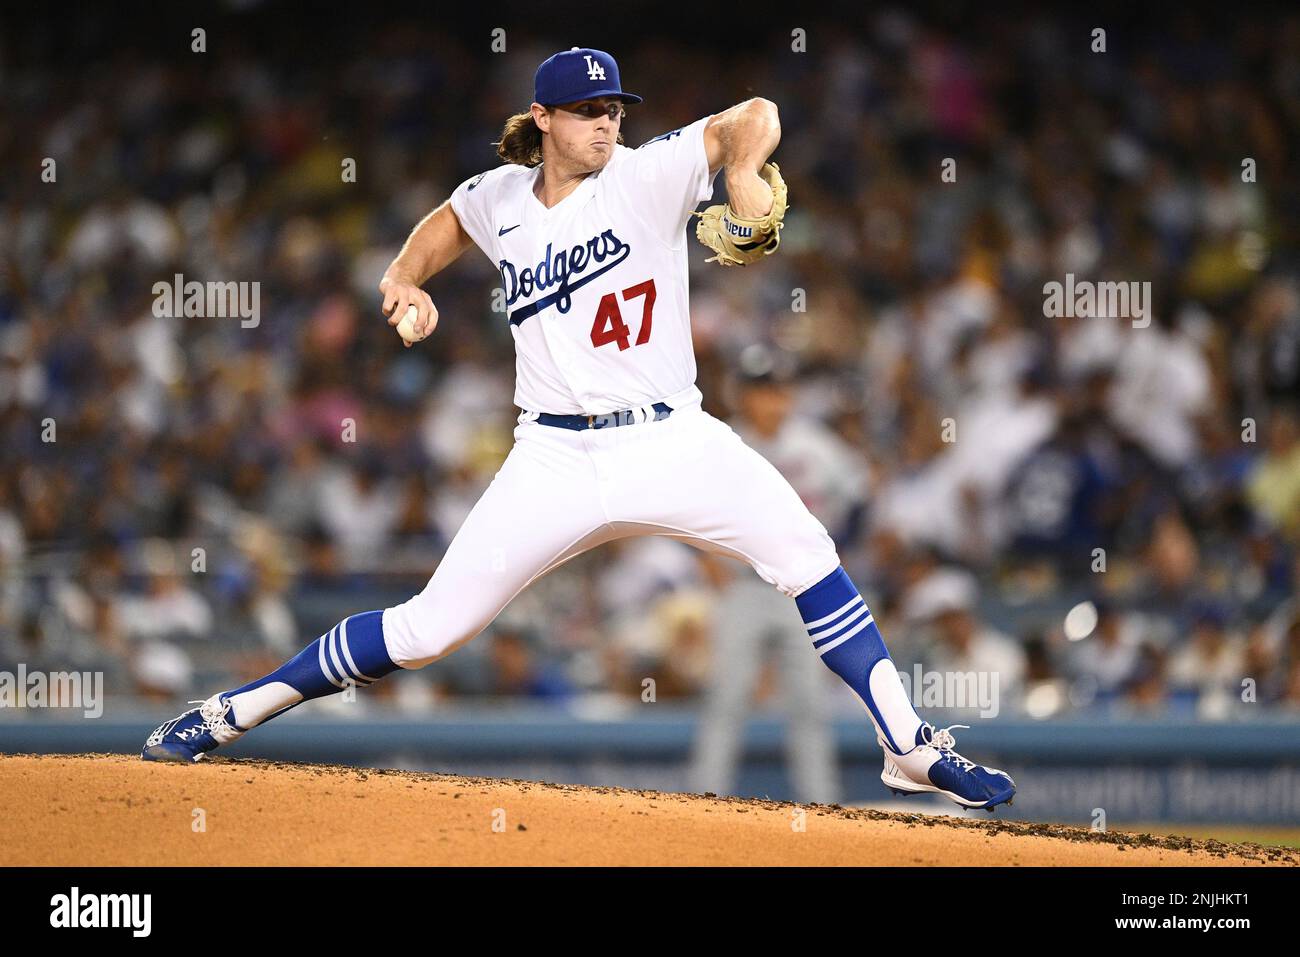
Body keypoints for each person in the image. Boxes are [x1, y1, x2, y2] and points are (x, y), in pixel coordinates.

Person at [141, 46, 1015, 811]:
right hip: (553, 452)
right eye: (588, 111)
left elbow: (755, 115)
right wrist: (403, 280)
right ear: (543, 119)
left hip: (673, 438)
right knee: (425, 632)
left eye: (614, 109)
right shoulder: (500, 198)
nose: (606, 123)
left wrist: (744, 174)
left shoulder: (647, 173)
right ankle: (228, 711)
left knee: (808, 552)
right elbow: (446, 224)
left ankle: (908, 747)